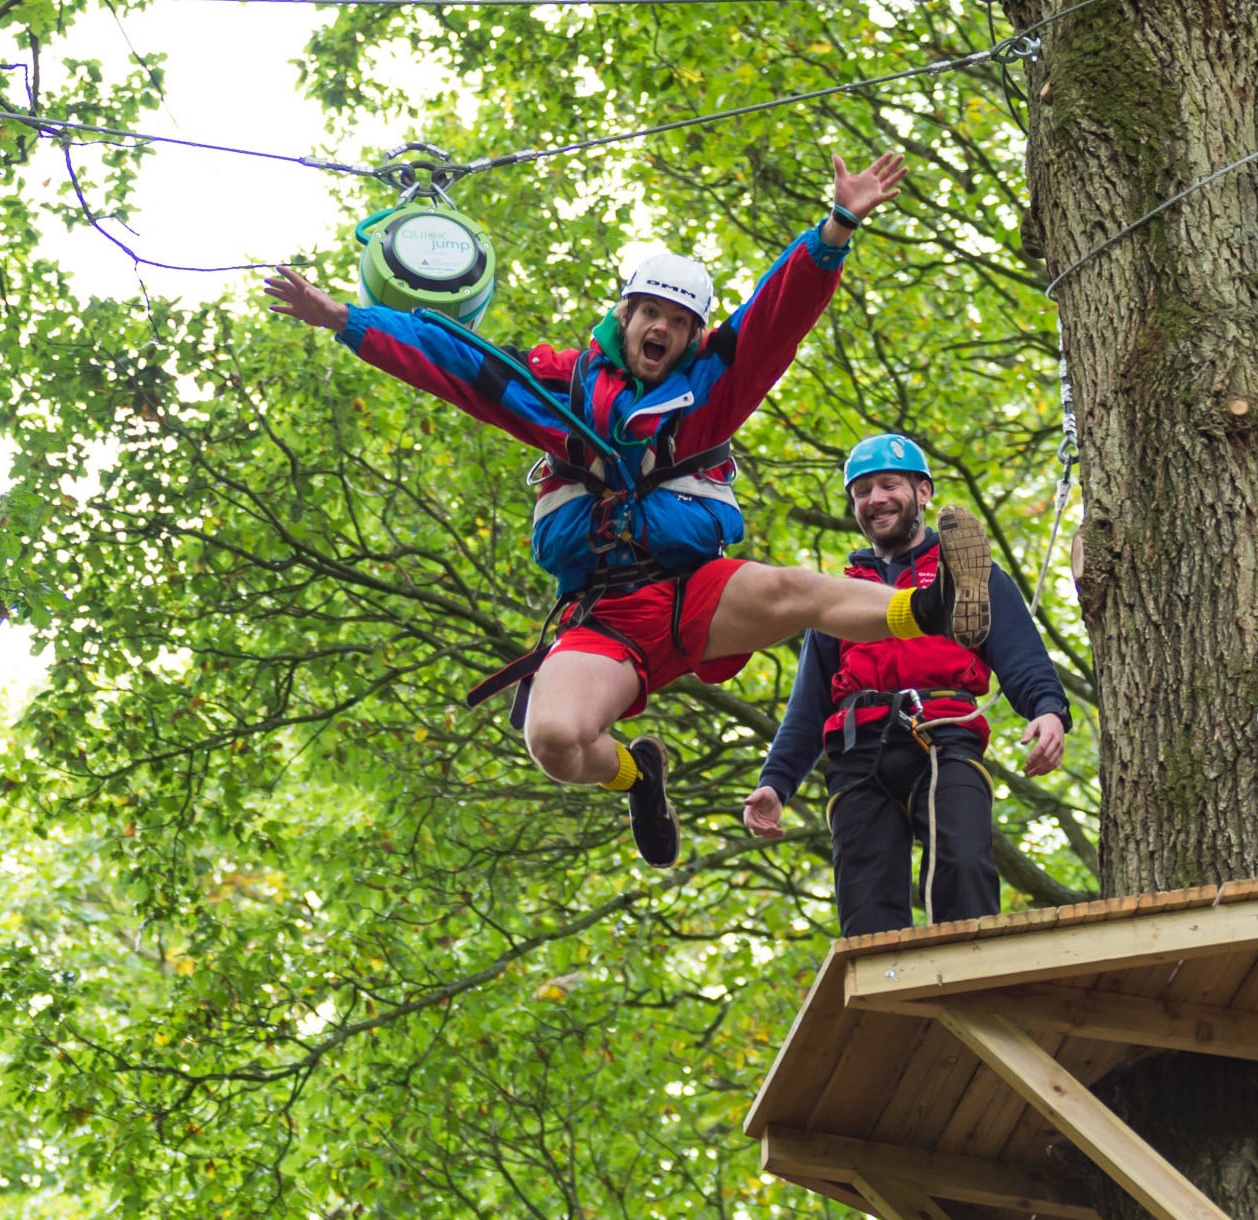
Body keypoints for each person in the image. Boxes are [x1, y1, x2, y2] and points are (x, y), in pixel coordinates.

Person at [265, 150, 995, 870]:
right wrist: (347, 321)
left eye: (677, 322)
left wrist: (834, 229)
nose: (661, 329)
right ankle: (637, 777)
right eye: (650, 312)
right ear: (627, 315)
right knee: (553, 740)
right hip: (605, 616)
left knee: (790, 589)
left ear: (691, 337)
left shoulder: (711, 391)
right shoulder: (566, 388)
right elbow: (460, 362)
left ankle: (931, 606)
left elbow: (776, 318)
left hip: (691, 592)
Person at [740, 434, 1072, 936]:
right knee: (866, 900)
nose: (875, 500)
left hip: (943, 734)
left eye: (889, 485)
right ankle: (887, 1001)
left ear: (923, 492)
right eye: (862, 491)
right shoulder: (839, 597)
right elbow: (807, 706)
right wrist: (775, 782)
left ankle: (969, 979)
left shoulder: (973, 574)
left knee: (961, 863)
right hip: (858, 750)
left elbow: (1021, 656)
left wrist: (1047, 710)